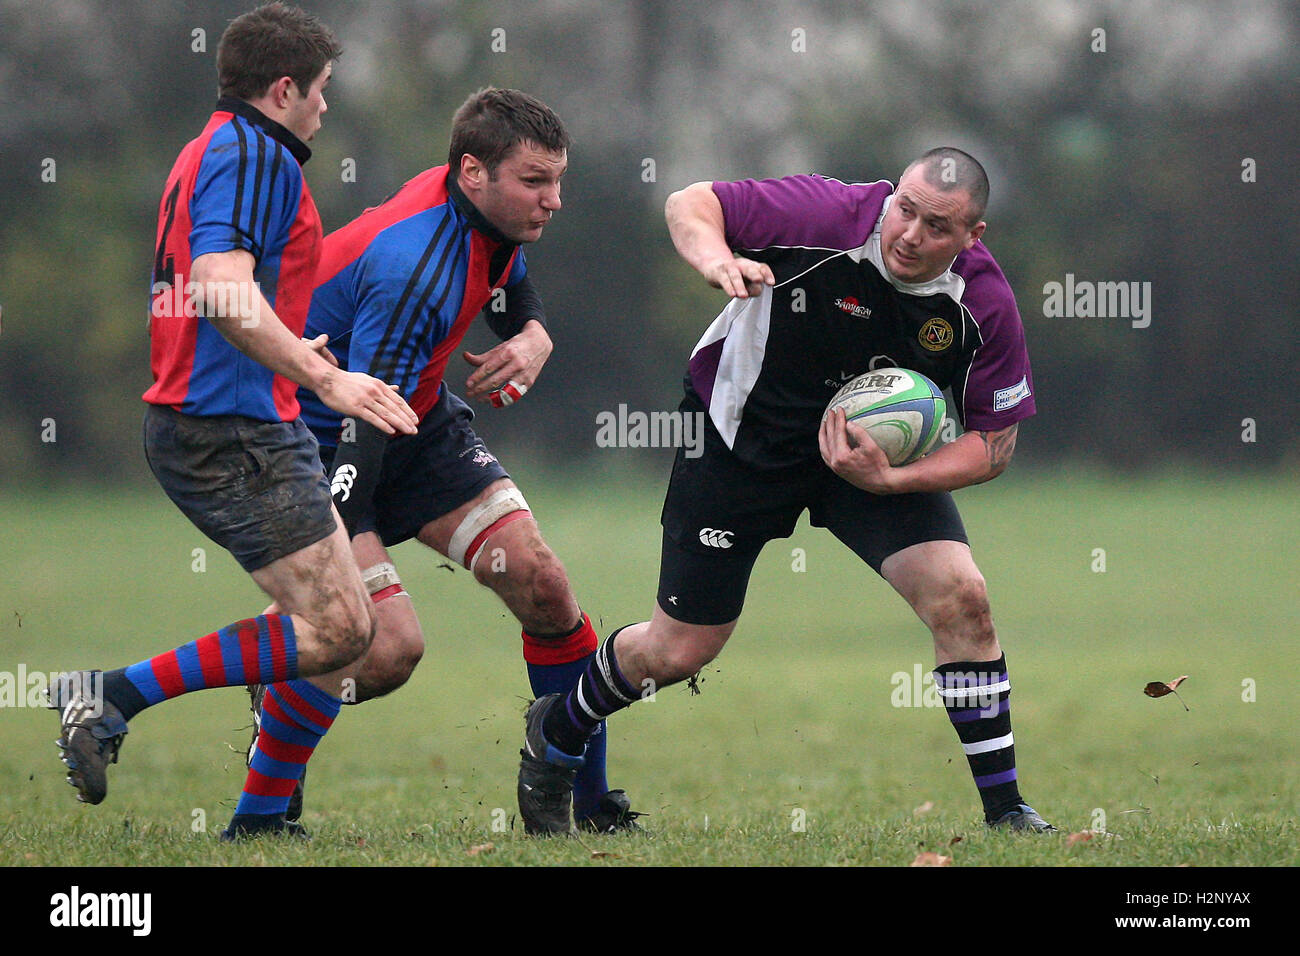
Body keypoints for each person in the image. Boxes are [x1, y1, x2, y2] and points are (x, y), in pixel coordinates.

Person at [516, 148, 1057, 834]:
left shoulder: (983, 302)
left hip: (866, 459)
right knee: (679, 651)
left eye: (938, 227)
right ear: (891, 195)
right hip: (741, 440)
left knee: (962, 596)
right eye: (906, 210)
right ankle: (558, 731)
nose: (911, 234)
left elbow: (994, 446)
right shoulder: (825, 215)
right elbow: (689, 201)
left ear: (973, 237)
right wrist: (717, 259)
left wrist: (895, 477)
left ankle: (1007, 811)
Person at [45, 3, 418, 832]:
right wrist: (323, 374)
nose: (326, 106)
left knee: (337, 625)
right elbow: (218, 284)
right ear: (283, 88)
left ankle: (260, 824)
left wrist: (287, 342)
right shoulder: (259, 153)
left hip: (227, 418)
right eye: (320, 90)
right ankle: (110, 696)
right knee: (341, 627)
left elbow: (232, 291)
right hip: (230, 430)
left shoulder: (211, 147)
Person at [233, 87, 638, 836]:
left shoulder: (485, 208)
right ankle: (261, 801)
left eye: (558, 181)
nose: (554, 201)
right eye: (536, 183)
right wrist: (332, 587)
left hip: (410, 422)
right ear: (474, 172)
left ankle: (589, 804)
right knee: (383, 649)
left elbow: (508, 279)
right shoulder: (412, 264)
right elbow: (362, 429)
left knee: (546, 585)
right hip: (320, 443)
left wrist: (535, 333)